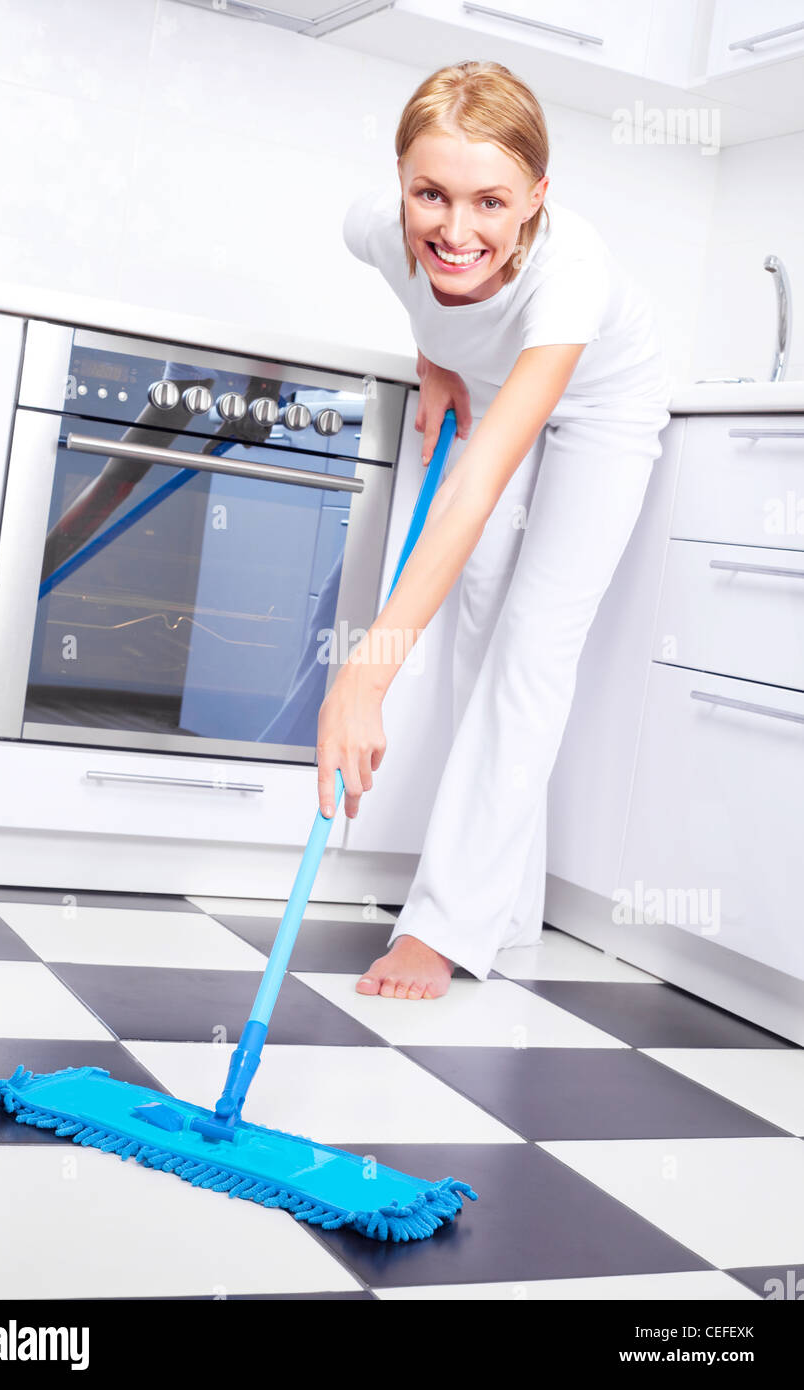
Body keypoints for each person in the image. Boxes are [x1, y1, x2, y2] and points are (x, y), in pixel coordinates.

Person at [315, 60, 672, 1002]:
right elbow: (423, 282)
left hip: (601, 410)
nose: (456, 228)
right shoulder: (377, 227)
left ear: (537, 200)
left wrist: (364, 674)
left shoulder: (571, 275)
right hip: (494, 392)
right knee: (476, 634)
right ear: (400, 183)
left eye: (490, 202)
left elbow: (472, 491)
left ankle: (440, 931)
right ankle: (502, 912)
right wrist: (433, 352)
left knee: (531, 646)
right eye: (430, 194)